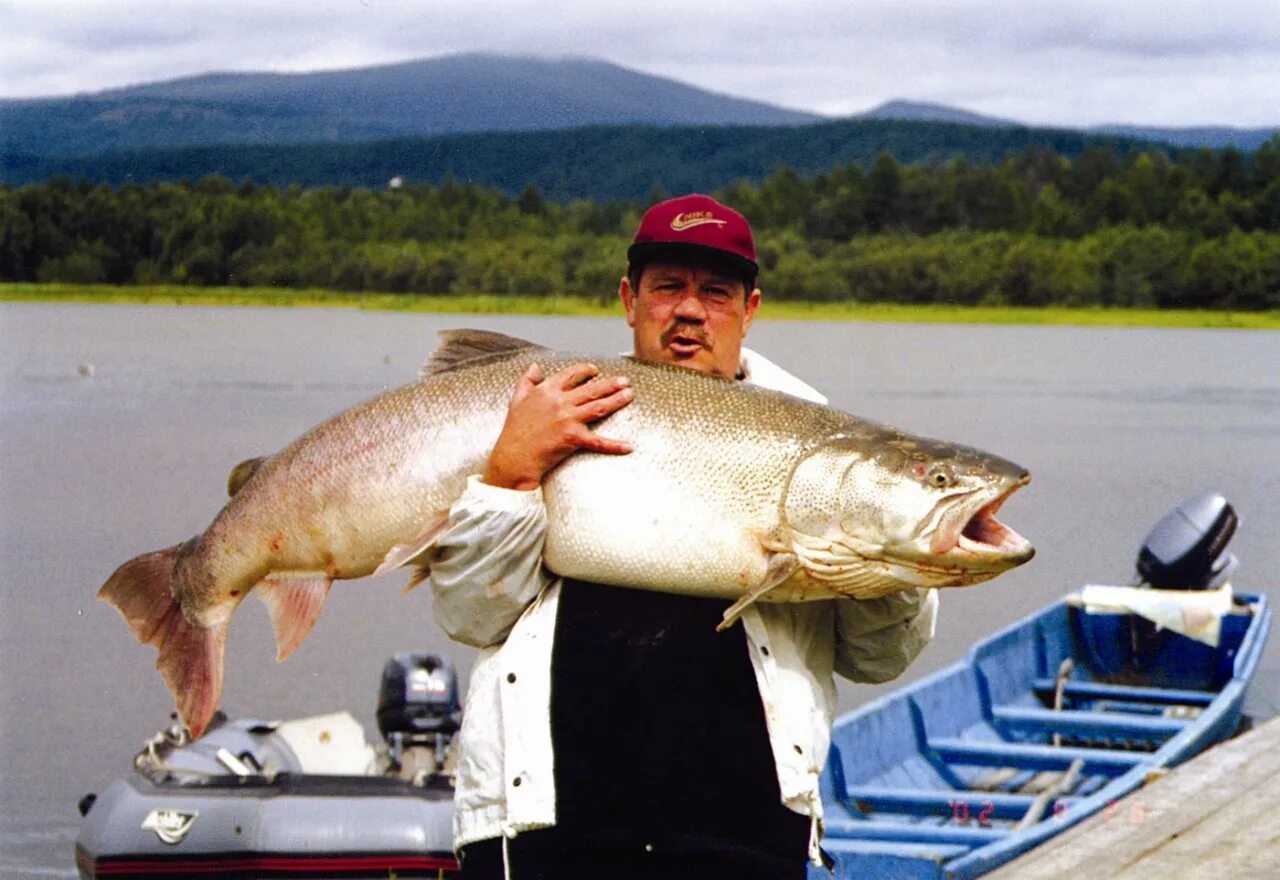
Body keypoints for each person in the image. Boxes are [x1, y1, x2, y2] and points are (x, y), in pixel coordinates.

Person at [428, 194, 938, 879]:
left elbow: (879, 657)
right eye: (668, 286)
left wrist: (896, 555)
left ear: (751, 309)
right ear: (628, 300)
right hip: (546, 834)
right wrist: (510, 474)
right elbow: (470, 614)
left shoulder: (825, 448)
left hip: (742, 836)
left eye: (716, 292)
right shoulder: (543, 413)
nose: (690, 310)